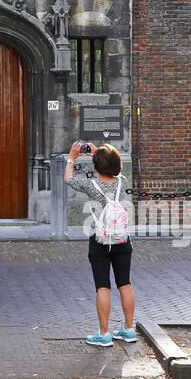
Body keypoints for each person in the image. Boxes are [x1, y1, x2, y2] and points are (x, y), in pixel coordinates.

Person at [64, 140, 136, 348]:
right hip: (122, 239)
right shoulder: (123, 181)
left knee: (102, 286)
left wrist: (72, 158)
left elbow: (68, 179)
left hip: (100, 240)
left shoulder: (90, 185)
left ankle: (104, 334)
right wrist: (100, 155)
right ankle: (128, 329)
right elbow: (113, 171)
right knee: (125, 283)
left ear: (97, 165)